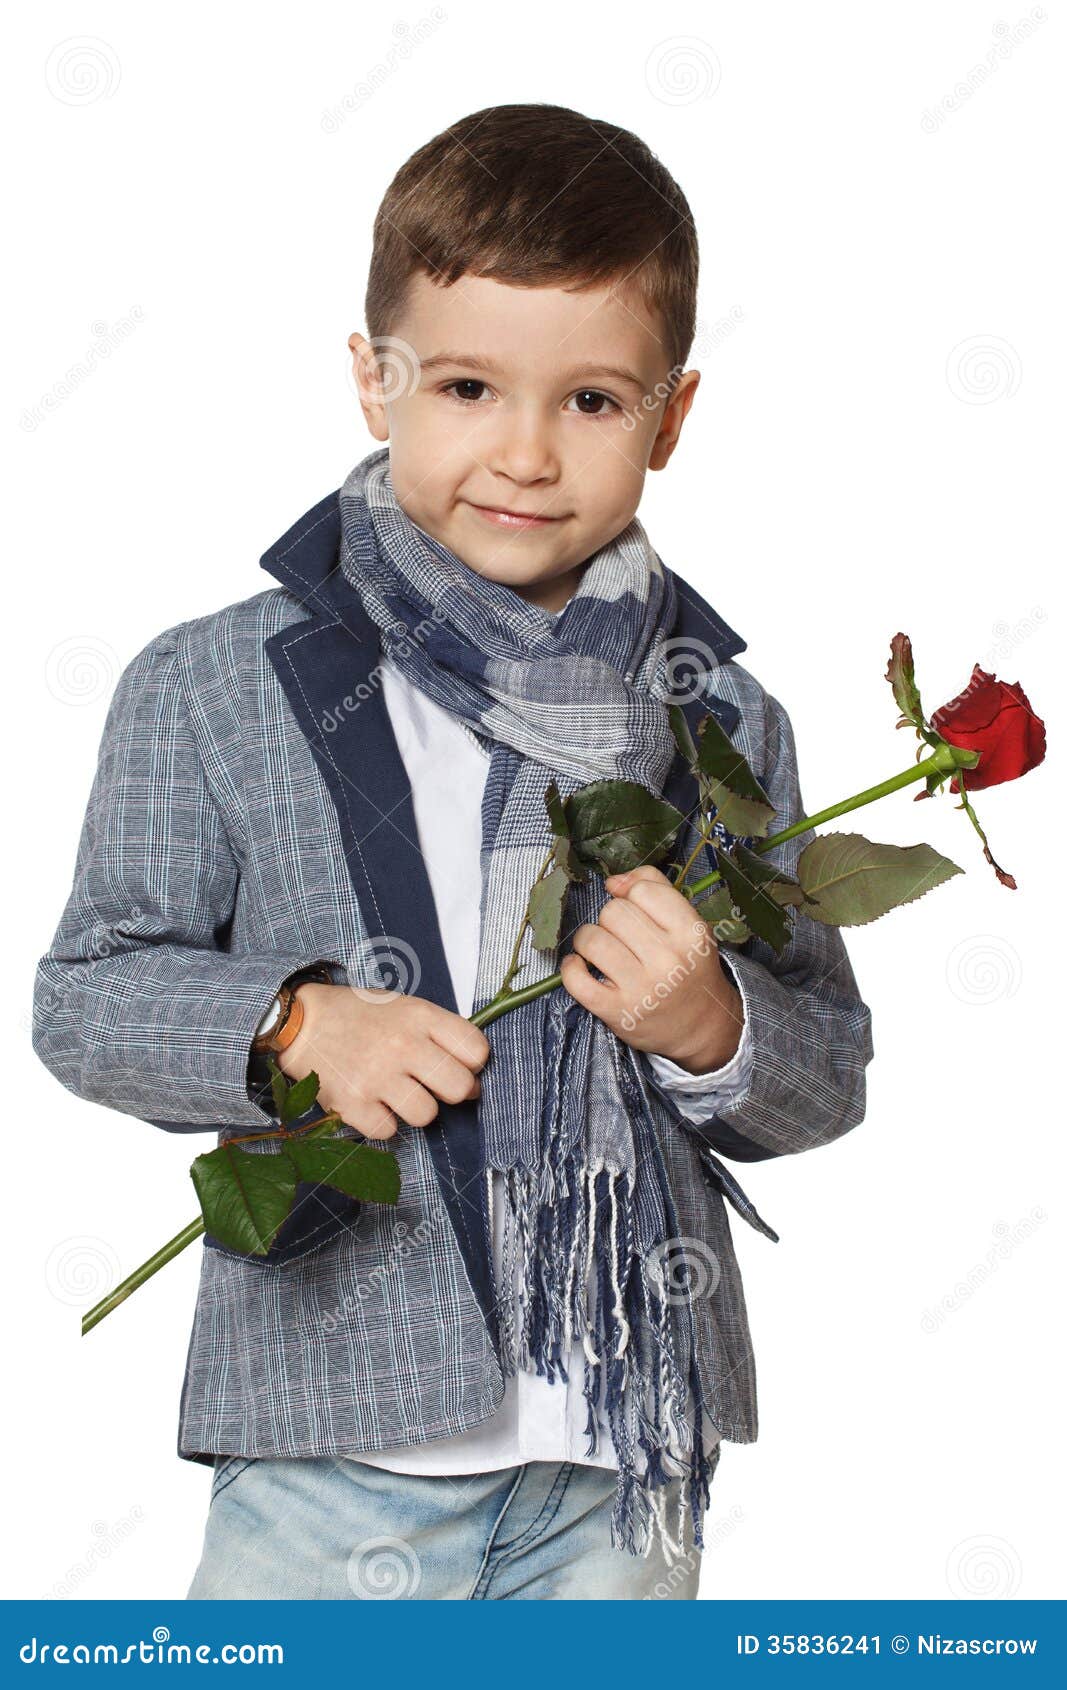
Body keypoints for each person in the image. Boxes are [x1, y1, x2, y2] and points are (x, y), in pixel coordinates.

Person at [33, 103, 874, 1601]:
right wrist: (291, 1025)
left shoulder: (721, 717)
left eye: (593, 401)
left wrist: (713, 1026)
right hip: (326, 1439)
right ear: (375, 378)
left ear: (672, 416)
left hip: (620, 1453)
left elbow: (829, 1066)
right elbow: (86, 996)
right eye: (470, 385)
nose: (527, 454)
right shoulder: (214, 682)